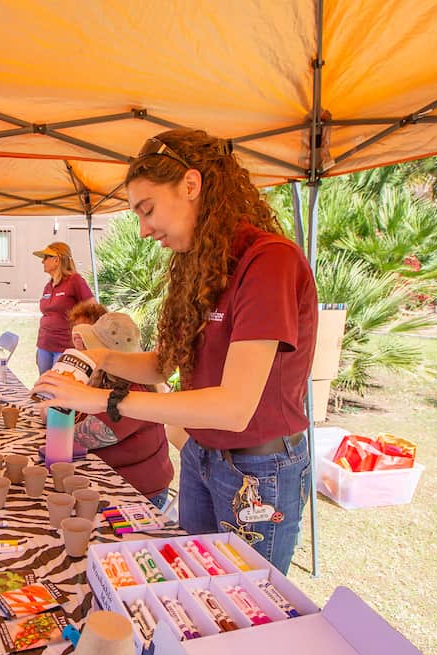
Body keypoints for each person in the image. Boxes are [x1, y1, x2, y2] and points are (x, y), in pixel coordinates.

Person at [33, 129, 317, 574]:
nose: (144, 231)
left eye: (147, 210)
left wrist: (103, 399)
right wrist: (99, 359)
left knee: (244, 606)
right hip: (202, 455)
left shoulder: (269, 262)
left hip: (258, 471)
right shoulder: (202, 265)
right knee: (196, 587)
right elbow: (164, 363)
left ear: (191, 184)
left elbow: (234, 407)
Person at [70, 310, 174, 508]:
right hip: (108, 478)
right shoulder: (105, 375)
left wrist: (59, 403)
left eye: (93, 348)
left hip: (137, 493)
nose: (86, 351)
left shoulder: (134, 391)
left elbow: (79, 438)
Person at [34, 241, 93, 374]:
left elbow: (93, 309)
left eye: (45, 257)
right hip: (44, 344)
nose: (42, 262)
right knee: (44, 386)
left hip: (64, 346)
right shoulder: (49, 285)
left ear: (56, 259)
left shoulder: (75, 280)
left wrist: (83, 338)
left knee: (58, 386)